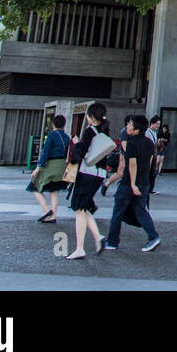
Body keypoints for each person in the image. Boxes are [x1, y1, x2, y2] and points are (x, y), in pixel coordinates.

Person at [105, 114, 161, 252]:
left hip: (129, 184)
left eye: (130, 125)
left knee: (118, 212)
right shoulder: (149, 143)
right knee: (141, 210)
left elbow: (132, 165)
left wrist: (132, 184)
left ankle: (112, 242)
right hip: (143, 181)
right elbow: (148, 163)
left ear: (136, 129)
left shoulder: (131, 143)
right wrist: (141, 181)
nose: (127, 126)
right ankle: (153, 236)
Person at [65, 103, 112, 260]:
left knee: (79, 209)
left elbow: (79, 154)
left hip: (87, 173)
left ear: (92, 117)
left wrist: (77, 142)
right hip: (99, 175)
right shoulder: (104, 132)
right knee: (84, 207)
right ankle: (98, 237)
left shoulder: (89, 132)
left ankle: (79, 248)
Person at [29, 115, 71, 222]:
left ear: (53, 124)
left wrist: (37, 168)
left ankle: (47, 210)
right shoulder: (66, 137)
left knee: (35, 187)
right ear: (64, 125)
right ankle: (53, 216)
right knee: (54, 190)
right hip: (61, 165)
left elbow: (45, 152)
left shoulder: (51, 136)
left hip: (51, 164)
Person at [147, 115, 165, 194]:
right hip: (148, 154)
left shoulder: (155, 133)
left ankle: (150, 188)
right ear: (152, 123)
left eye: (159, 124)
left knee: (152, 172)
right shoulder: (147, 132)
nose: (158, 126)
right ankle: (147, 188)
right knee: (148, 171)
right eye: (157, 124)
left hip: (153, 153)